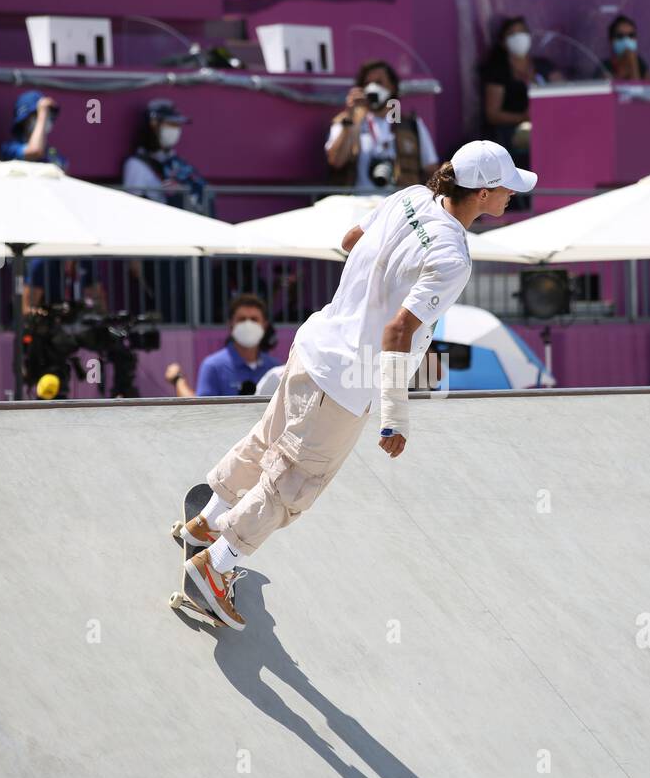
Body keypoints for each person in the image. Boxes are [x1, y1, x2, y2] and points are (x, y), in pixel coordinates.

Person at [173, 140, 537, 629]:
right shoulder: (453, 256)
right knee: (292, 484)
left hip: (315, 343)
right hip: (346, 384)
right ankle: (213, 571)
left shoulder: (409, 196)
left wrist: (373, 287)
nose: (512, 195)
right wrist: (395, 418)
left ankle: (205, 522)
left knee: (265, 441)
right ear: (484, 193)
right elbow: (396, 331)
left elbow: (350, 241)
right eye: (507, 188)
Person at [324, 60, 439, 193]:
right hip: (358, 205)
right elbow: (336, 161)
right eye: (367, 83)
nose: (373, 88)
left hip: (400, 206)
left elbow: (430, 168)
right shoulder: (347, 121)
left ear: (392, 87)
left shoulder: (411, 124)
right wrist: (351, 117)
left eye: (379, 83)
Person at [479, 16, 563, 163]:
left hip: (551, 123)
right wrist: (525, 118)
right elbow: (492, 115)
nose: (519, 37)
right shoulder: (498, 72)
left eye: (522, 32)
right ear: (503, 42)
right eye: (512, 34)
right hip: (515, 132)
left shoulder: (544, 65)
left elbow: (567, 92)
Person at [122, 99, 209, 212]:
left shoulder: (177, 163)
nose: (175, 130)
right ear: (153, 125)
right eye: (170, 124)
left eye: (177, 125)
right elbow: (132, 209)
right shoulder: (136, 165)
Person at [194, 294, 281, 396]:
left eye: (254, 319)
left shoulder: (274, 368)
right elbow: (204, 409)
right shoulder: (213, 366)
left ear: (265, 325)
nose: (248, 325)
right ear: (231, 324)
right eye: (242, 319)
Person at [0, 90, 66, 169]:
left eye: (49, 114)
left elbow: (64, 172)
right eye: (37, 114)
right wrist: (42, 113)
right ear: (24, 121)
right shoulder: (10, 148)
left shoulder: (51, 152)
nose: (46, 118)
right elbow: (35, 151)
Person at [22, 258, 106, 314]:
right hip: (50, 325)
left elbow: (98, 299)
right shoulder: (41, 263)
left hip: (77, 324)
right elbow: (27, 307)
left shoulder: (86, 262)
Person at [603, 14, 649, 81]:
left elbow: (645, 88)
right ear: (611, 40)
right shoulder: (605, 66)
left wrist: (633, 63)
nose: (626, 40)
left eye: (631, 35)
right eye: (620, 36)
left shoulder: (640, 63)